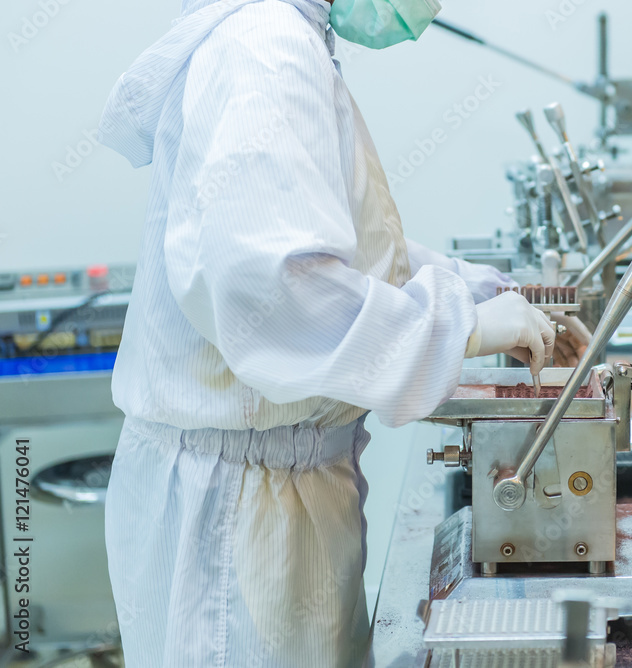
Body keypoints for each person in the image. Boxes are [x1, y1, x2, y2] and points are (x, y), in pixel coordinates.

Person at [97, 0, 558, 664]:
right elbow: (278, 290)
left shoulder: (290, 42)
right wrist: (463, 328)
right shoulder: (268, 49)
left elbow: (342, 251)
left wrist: (475, 290)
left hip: (274, 487)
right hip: (243, 512)